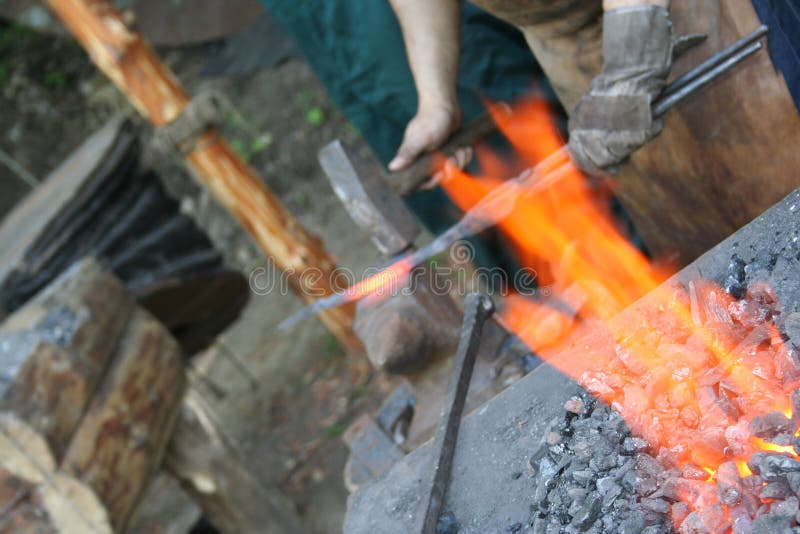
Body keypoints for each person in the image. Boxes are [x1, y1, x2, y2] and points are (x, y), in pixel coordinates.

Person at [387, 0, 800, 264]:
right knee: (707, 257)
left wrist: (634, 51)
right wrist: (435, 99)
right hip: (575, 56)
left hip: (685, 14)